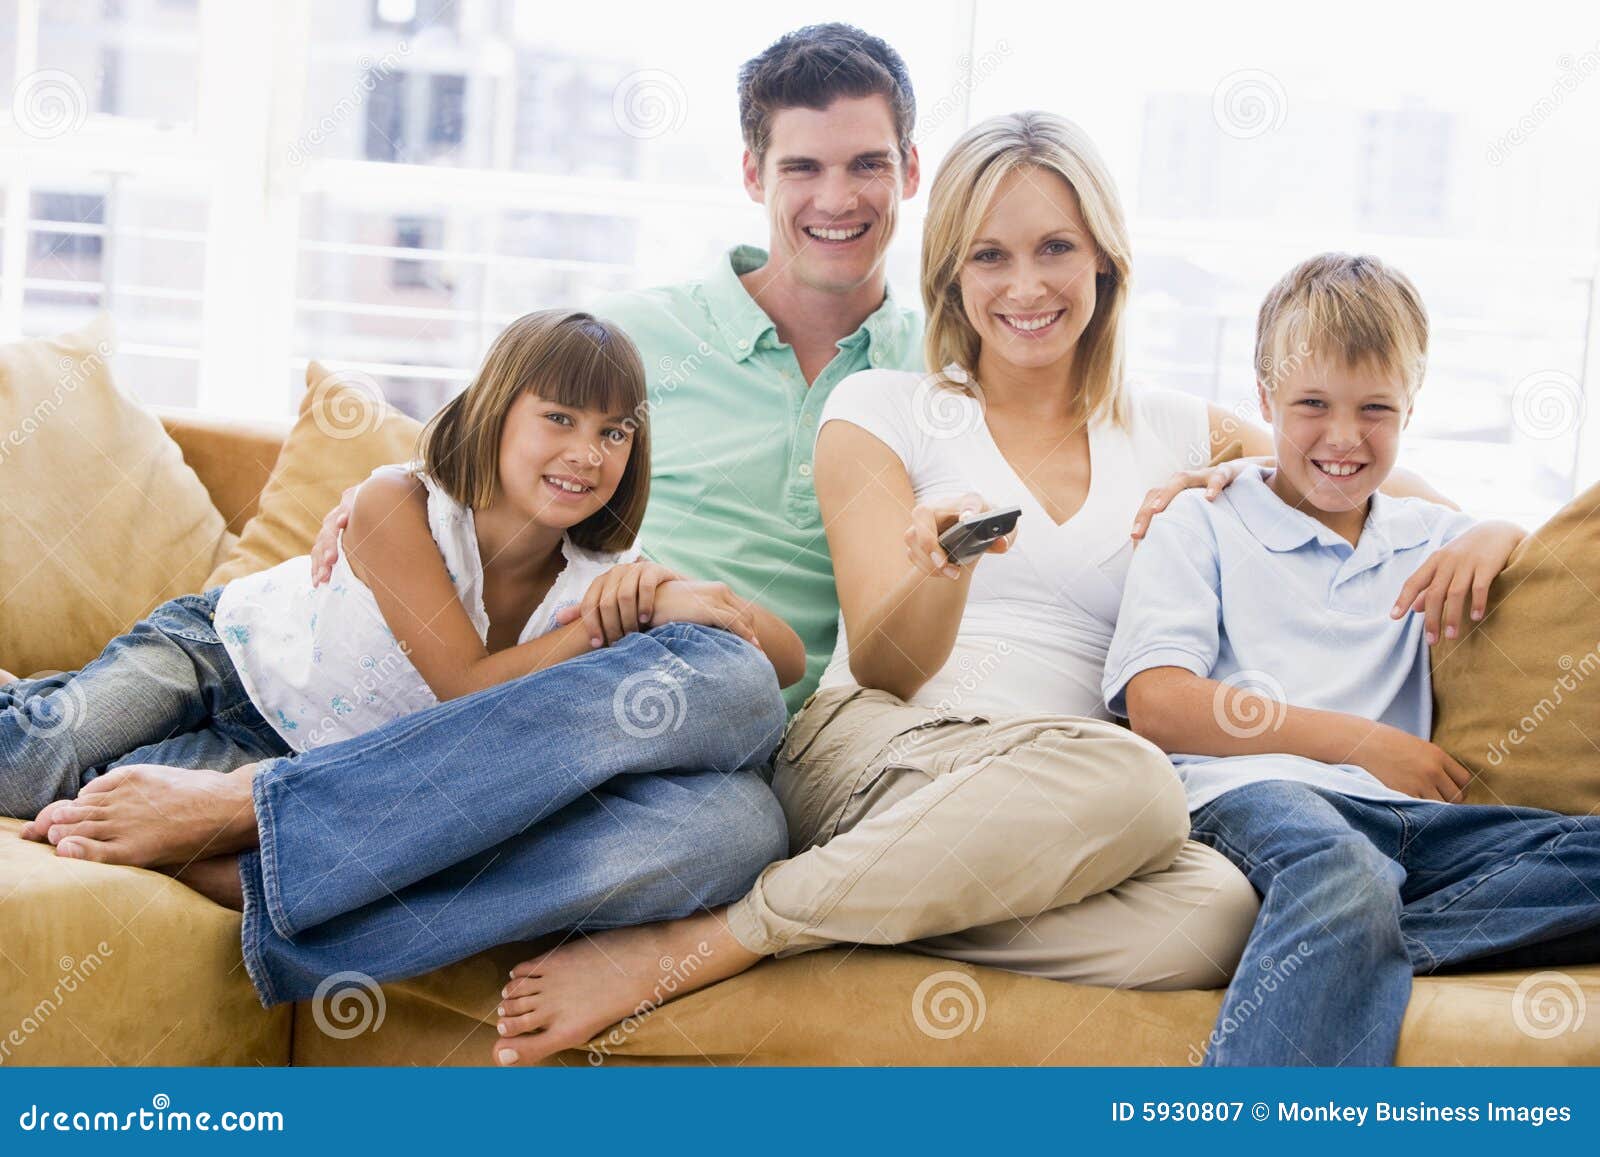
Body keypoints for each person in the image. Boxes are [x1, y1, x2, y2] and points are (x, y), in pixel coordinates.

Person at [474, 115, 1507, 1066]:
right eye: (990, 254)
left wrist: (1498, 531)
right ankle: (717, 937)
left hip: (1071, 809)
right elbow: (885, 667)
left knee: (1222, 912)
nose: (1027, 285)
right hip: (882, 752)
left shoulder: (1179, 431)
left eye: (1055, 248)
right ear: (953, 274)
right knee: (1141, 781)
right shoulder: (882, 408)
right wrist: (938, 574)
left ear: (1104, 258)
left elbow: (1366, 470)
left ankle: (871, 899)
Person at [19, 312, 800, 1007]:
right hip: (224, 659)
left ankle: (259, 861)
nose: (586, 453)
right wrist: (599, 632)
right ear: (497, 414)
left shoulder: (605, 575)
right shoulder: (399, 501)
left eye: (614, 432)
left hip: (306, 756)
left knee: (88, 802)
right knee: (31, 760)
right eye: (558, 418)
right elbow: (463, 687)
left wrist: (662, 589)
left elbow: (784, 660)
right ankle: (44, 712)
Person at [1102, 252, 1600, 1065]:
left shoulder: (1427, 535)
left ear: (1411, 406)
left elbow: (1512, 541)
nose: (1343, 436)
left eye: (1376, 408)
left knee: (1569, 857)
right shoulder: (1202, 521)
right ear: (1264, 401)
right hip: (1256, 796)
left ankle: (1316, 942)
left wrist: (1497, 533)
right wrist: (1361, 742)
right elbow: (1158, 703)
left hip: (1412, 832)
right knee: (1344, 874)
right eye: (1311, 406)